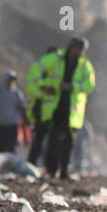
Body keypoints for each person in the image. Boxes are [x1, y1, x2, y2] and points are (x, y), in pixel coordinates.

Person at [38, 36, 96, 180]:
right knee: (53, 139)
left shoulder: (85, 65)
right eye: (78, 48)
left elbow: (90, 85)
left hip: (72, 110)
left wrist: (72, 87)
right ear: (71, 47)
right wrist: (44, 86)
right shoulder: (56, 59)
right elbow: (37, 70)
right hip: (55, 106)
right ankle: (51, 169)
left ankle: (64, 171)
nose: (79, 52)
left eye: (81, 49)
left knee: (68, 141)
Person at [25, 46, 59, 165]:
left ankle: (47, 165)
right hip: (41, 108)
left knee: (50, 139)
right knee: (39, 137)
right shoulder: (40, 71)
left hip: (51, 110)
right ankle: (32, 163)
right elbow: (30, 87)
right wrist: (44, 92)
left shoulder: (55, 72)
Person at [0, 71, 28, 156]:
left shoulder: (17, 94)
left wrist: (26, 123)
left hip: (12, 126)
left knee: (11, 149)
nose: (10, 82)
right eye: (9, 80)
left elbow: (22, 109)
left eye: (12, 80)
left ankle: (9, 167)